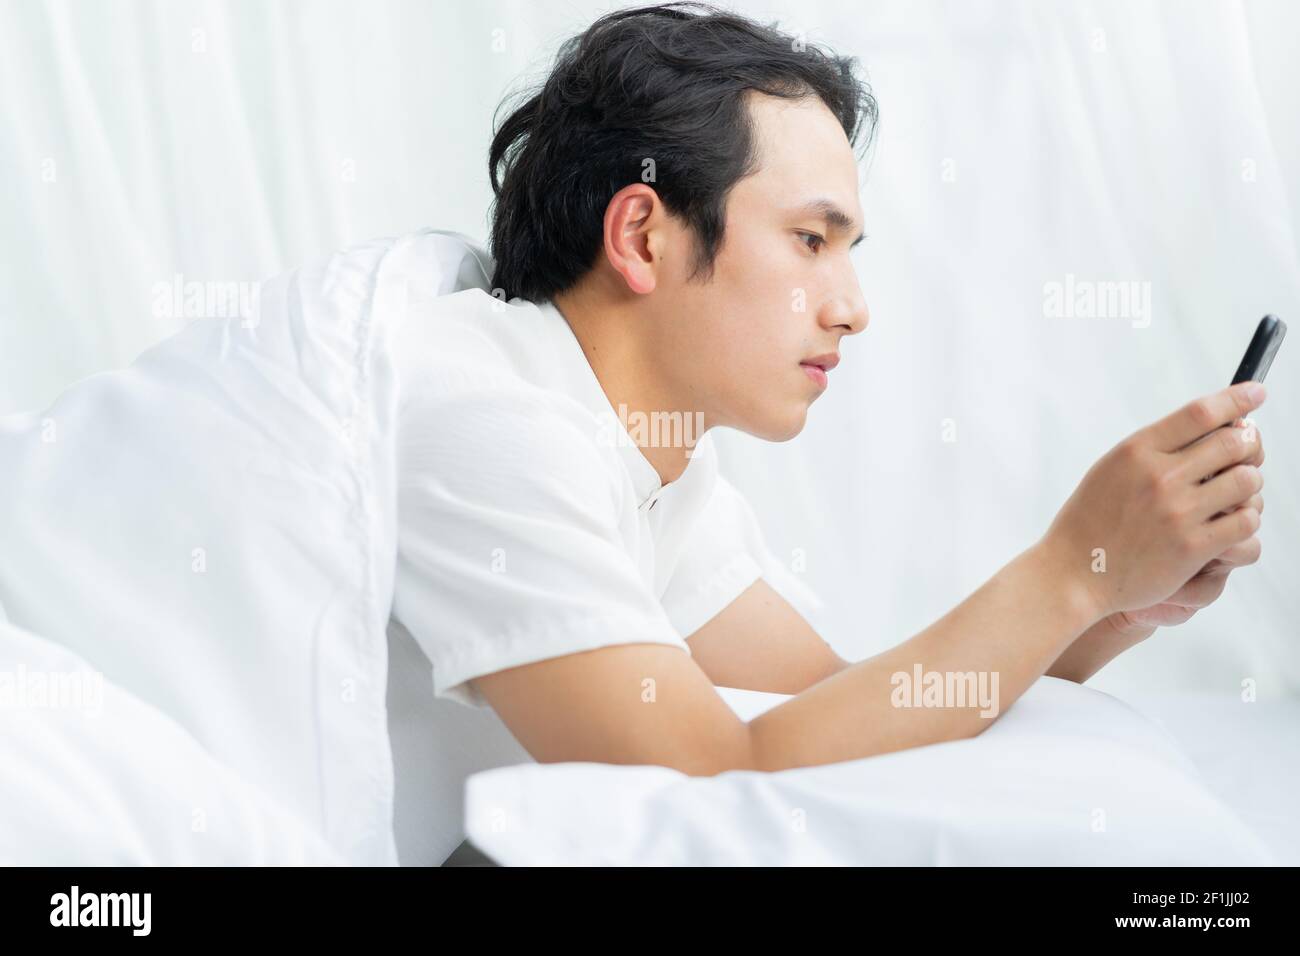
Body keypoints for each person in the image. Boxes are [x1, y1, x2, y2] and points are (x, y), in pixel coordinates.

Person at [395, 3, 1266, 858]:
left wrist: (1113, 598)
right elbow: (712, 769)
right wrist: (1071, 568)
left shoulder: (654, 465)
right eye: (812, 240)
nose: (853, 308)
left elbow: (834, 711)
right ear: (642, 236)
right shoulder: (488, 421)